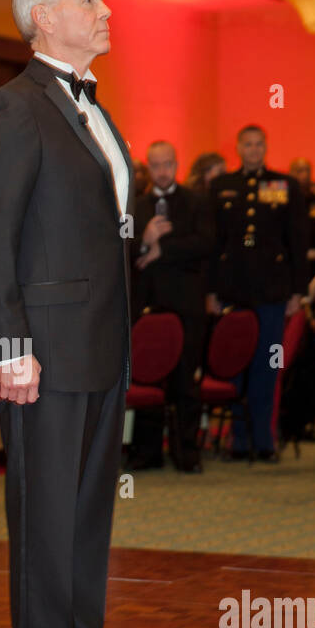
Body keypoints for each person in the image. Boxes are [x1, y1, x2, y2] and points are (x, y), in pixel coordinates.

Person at [0, 0, 160, 628]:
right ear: (45, 17)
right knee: (44, 513)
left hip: (100, 344)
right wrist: (10, 348)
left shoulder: (93, 108)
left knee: (84, 514)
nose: (107, 11)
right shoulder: (15, 108)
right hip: (43, 350)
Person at [207, 124, 308, 460]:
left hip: (272, 290)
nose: (253, 150)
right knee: (235, 363)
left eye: (259, 144)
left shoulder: (283, 185)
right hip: (234, 290)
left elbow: (297, 241)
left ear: (266, 147)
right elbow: (214, 243)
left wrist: (298, 290)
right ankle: (238, 440)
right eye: (248, 144)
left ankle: (264, 440)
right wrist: (211, 289)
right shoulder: (223, 186)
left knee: (268, 364)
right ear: (238, 148)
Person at [131, 139, 213, 472]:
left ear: (177, 164)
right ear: (148, 167)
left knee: (185, 380)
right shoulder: (135, 205)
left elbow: (205, 243)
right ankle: (146, 452)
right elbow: (122, 248)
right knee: (148, 376)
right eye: (156, 165)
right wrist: (145, 241)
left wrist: (163, 249)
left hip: (186, 304)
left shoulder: (196, 202)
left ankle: (187, 452)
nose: (163, 171)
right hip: (148, 305)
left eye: (168, 164)